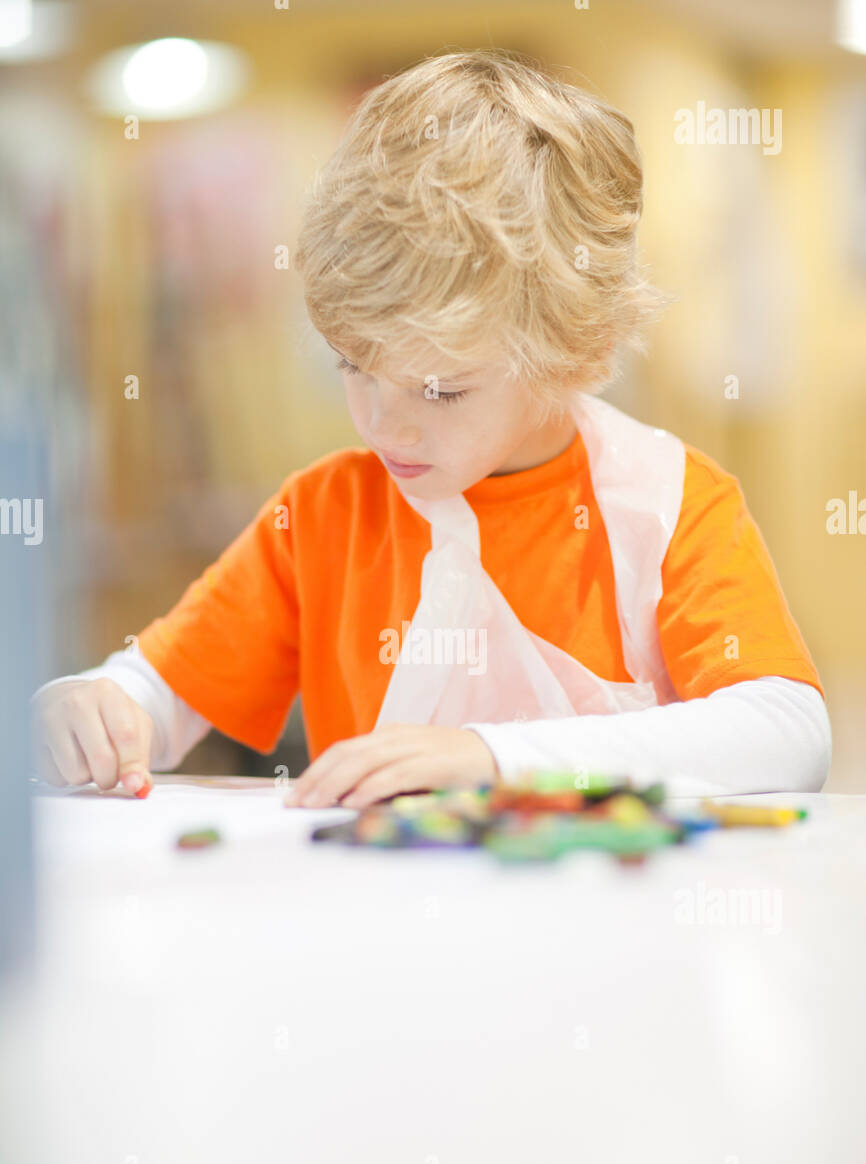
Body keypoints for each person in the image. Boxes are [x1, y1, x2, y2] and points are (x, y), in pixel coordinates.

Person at [30, 51, 831, 805]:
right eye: (352, 366)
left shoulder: (666, 505)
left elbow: (787, 734)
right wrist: (102, 705)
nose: (386, 425)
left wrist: (495, 760)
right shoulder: (323, 518)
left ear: (575, 351)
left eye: (441, 391)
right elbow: (159, 695)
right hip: (387, 938)